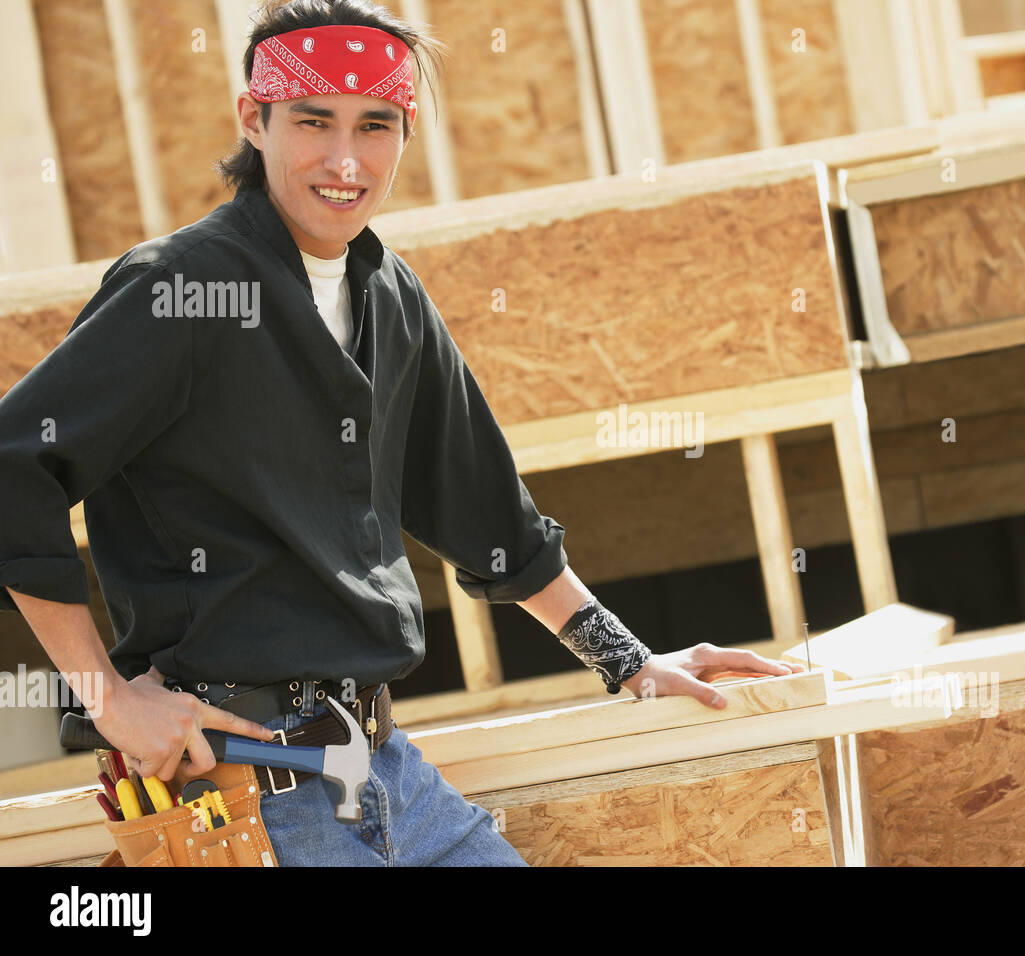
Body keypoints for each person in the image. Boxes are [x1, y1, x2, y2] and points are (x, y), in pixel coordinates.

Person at [0, 0, 800, 866]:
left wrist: (630, 659)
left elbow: (485, 511)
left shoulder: (389, 296)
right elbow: (15, 470)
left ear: (404, 133)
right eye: (313, 121)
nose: (345, 160)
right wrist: (106, 698)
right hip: (247, 793)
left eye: (375, 125)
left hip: (384, 769)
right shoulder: (181, 289)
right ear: (253, 119)